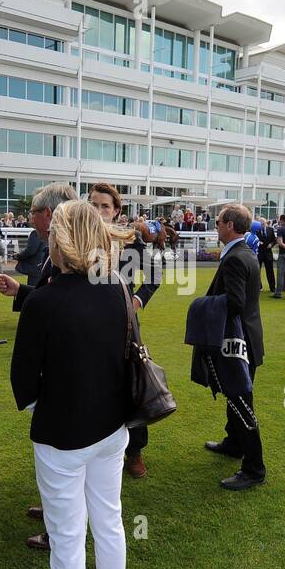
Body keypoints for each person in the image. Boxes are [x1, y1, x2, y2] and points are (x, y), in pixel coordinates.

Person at [11, 200, 136, 569]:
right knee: (108, 520)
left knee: (67, 538)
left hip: (65, 435)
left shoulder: (45, 300)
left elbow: (23, 382)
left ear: (59, 239)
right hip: (112, 427)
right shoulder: (116, 288)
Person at [0, 182, 79, 551]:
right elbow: (52, 295)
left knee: (64, 455)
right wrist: (23, 292)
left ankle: (57, 529)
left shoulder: (74, 253)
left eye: (33, 211)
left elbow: (62, 302)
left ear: (49, 214)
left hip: (67, 372)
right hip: (63, 368)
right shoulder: (53, 249)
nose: (29, 217)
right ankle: (52, 513)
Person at [89, 182, 158, 478]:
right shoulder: (79, 239)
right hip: (87, 323)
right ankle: (91, 446)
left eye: (105, 205)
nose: (99, 210)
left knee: (131, 382)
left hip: (124, 324)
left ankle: (135, 451)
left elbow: (154, 276)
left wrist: (136, 300)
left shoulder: (130, 241)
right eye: (94, 204)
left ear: (117, 211)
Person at [202, 203, 266, 490]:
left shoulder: (236, 258)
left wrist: (202, 306)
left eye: (217, 222)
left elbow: (236, 303)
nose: (216, 226)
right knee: (234, 394)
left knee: (241, 403)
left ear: (229, 225)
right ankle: (234, 443)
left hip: (240, 342)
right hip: (247, 338)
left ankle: (254, 469)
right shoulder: (245, 252)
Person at [257, 216, 277, 293]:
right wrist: (257, 242)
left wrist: (271, 245)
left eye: (263, 223)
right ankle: (259, 287)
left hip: (268, 253)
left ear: (266, 223)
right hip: (259, 253)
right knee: (257, 270)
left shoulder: (270, 230)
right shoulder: (256, 231)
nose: (262, 225)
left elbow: (274, 240)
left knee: (270, 270)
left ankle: (272, 287)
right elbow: (253, 239)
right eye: (260, 224)